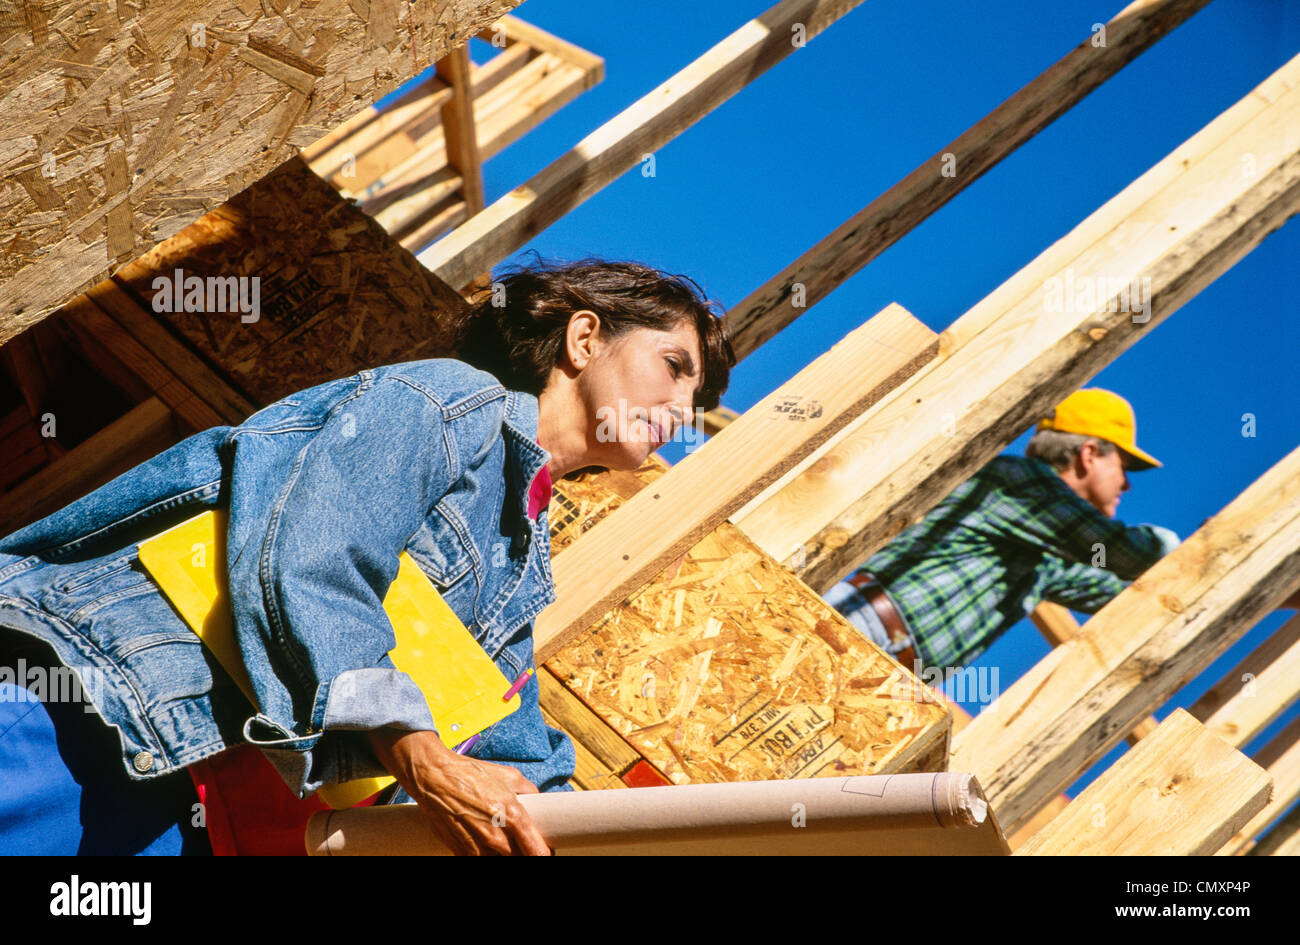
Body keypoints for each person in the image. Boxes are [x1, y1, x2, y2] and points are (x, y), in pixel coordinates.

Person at [0, 257, 734, 856]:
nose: (681, 407)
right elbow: (314, 552)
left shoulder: (521, 566)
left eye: (694, 399)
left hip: (188, 800)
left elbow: (510, 749)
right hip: (98, 709)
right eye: (674, 365)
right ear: (583, 338)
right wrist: (418, 752)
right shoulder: (457, 402)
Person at [823, 389, 1181, 673]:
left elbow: (1125, 597)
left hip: (891, 662)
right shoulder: (1020, 482)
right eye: (1124, 466)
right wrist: (1188, 548)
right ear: (1089, 453)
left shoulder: (1045, 554)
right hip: (859, 628)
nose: (1126, 484)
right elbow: (1131, 554)